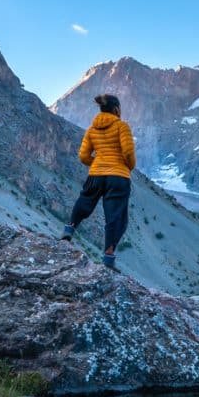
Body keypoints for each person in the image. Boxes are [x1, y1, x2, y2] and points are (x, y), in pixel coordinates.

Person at [62, 93, 135, 270]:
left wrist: (96, 163)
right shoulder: (122, 126)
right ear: (117, 109)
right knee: (115, 216)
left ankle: (69, 230)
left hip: (96, 174)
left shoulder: (91, 130)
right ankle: (108, 258)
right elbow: (127, 153)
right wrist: (129, 166)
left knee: (85, 200)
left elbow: (83, 155)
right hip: (118, 176)